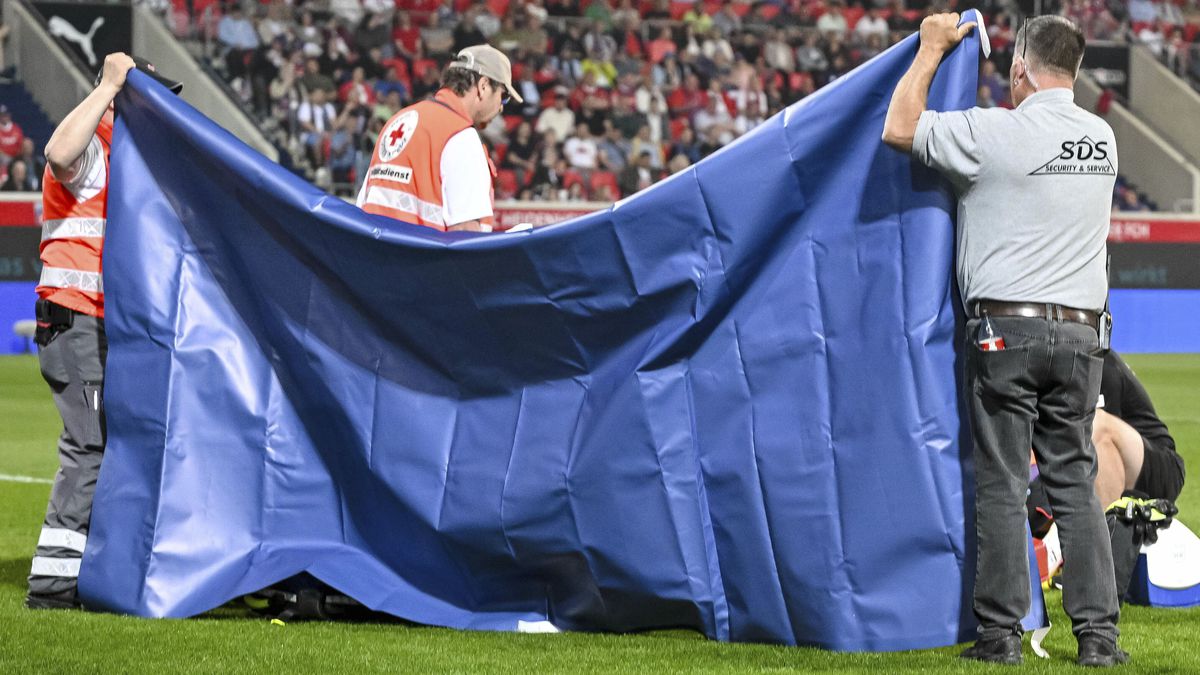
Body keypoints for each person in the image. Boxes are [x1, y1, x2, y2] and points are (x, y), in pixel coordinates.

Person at [883, 14, 1127, 667]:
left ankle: (1000, 635)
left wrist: (931, 48)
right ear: (1074, 71)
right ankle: (1099, 639)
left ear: (1019, 68)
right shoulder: (1102, 139)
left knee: (1002, 481)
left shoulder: (992, 132)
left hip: (1004, 332)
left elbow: (899, 126)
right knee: (1074, 480)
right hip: (1081, 336)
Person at [27, 53, 182, 611]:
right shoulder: (94, 144)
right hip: (76, 318)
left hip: (98, 321)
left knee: (108, 442)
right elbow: (57, 152)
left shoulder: (127, 157)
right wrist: (110, 85)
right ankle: (52, 586)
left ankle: (93, 568)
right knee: (89, 444)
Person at [357, 44, 521, 232]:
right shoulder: (461, 136)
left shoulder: (399, 120)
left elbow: (364, 206)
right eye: (504, 96)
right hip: (421, 250)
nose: (501, 107)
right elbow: (465, 233)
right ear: (483, 86)